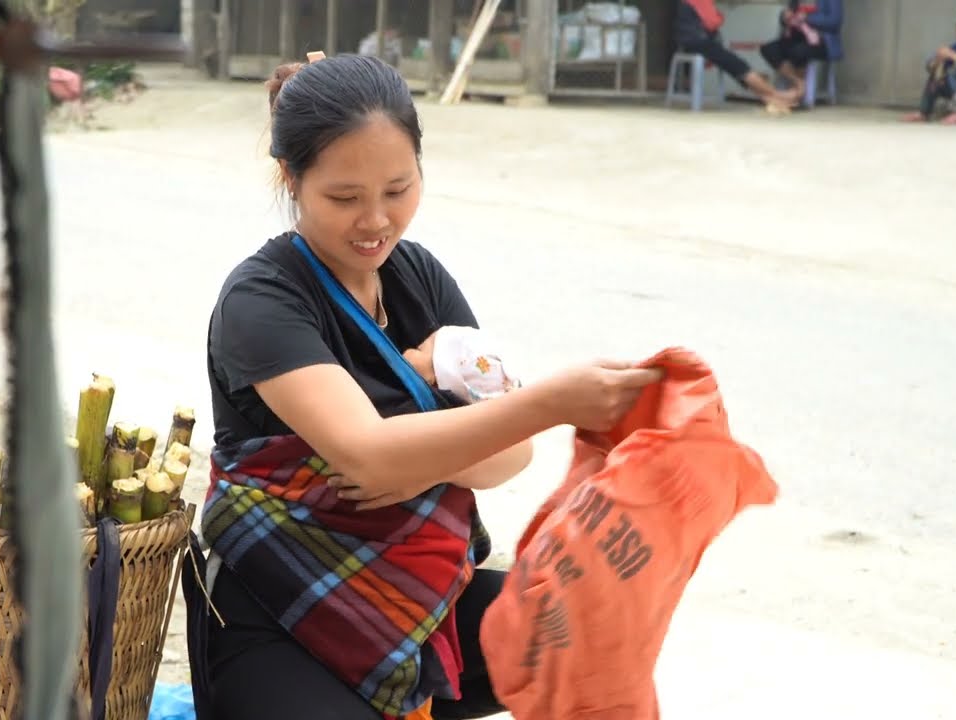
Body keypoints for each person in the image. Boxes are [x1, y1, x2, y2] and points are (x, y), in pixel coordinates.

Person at [189, 51, 664, 720]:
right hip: (280, 610)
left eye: (398, 188)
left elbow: (508, 457)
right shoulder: (261, 300)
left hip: (419, 598)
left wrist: (420, 449)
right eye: (345, 198)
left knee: (593, 629)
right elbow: (369, 455)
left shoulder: (418, 277)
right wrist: (548, 403)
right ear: (292, 179)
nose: (376, 221)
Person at [674, 0, 798, 113]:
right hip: (701, 42)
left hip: (688, 42)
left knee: (735, 68)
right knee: (738, 65)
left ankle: (770, 98)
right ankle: (777, 95)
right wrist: (719, 17)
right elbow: (713, 22)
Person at [759, 0, 845, 101]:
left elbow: (834, 22)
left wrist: (807, 19)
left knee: (797, 51)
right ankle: (799, 84)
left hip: (822, 41)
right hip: (795, 38)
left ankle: (794, 94)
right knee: (768, 49)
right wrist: (785, 17)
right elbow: (785, 19)